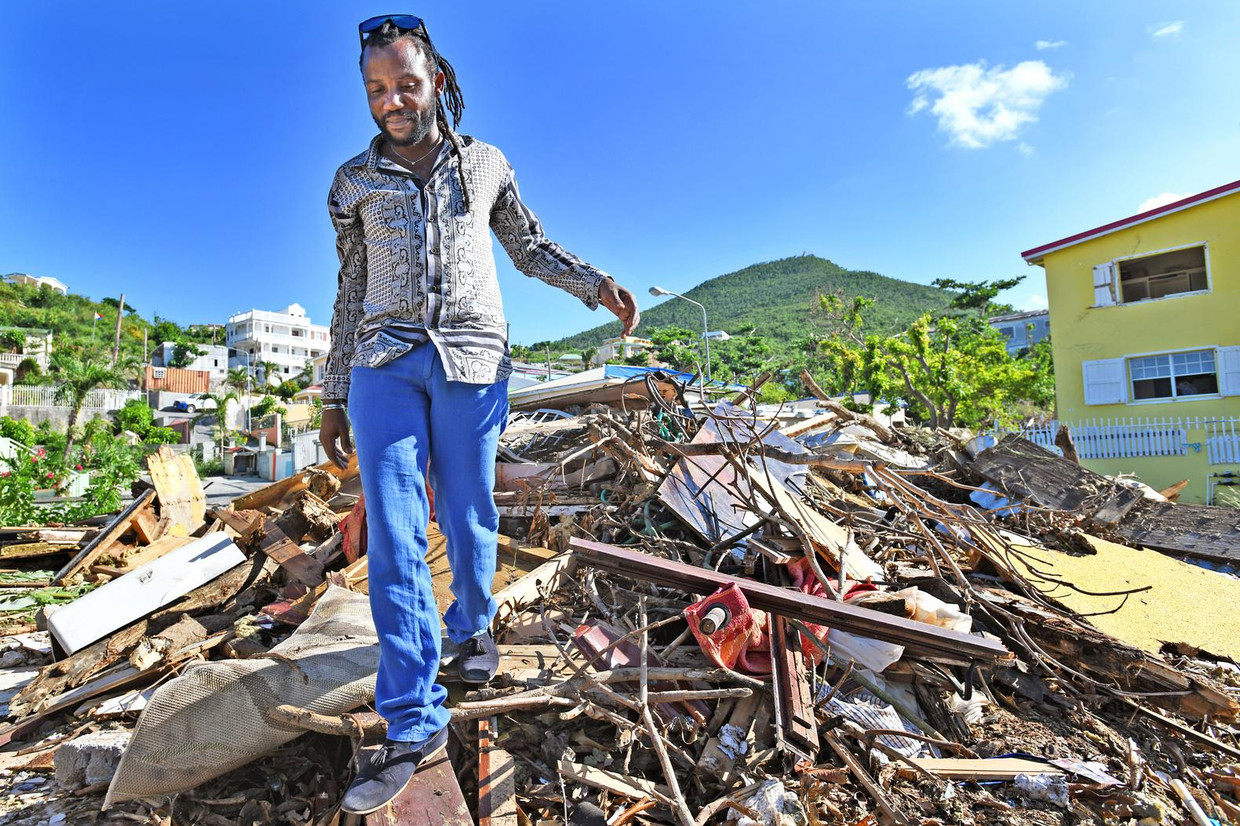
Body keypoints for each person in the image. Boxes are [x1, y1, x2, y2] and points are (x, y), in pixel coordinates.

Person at [318, 14, 640, 815]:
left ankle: (472, 625)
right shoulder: (351, 182)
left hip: (472, 359)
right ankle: (412, 719)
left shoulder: (486, 165)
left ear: (437, 82)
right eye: (376, 90)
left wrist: (592, 283)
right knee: (394, 531)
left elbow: (528, 245)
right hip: (383, 364)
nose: (392, 101)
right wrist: (331, 391)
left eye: (406, 84)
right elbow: (350, 290)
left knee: (468, 514)